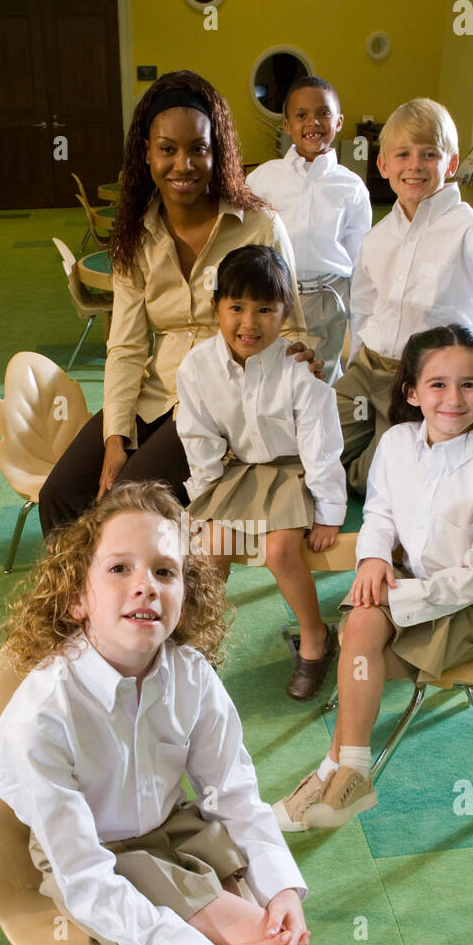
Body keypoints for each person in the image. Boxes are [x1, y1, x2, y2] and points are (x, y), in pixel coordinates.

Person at [0, 482, 411, 945]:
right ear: (77, 598)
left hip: (173, 835)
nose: (145, 586)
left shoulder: (189, 673)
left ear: (188, 593)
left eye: (165, 570)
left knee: (271, 933)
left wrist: (284, 889)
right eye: (118, 568)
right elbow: (86, 877)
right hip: (94, 859)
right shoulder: (44, 715)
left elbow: (237, 797)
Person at [37, 70, 313, 537]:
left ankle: (139, 602)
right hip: (155, 392)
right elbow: (124, 347)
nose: (182, 164)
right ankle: (78, 606)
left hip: (223, 401)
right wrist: (115, 438)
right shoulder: (133, 236)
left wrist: (298, 363)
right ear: (146, 153)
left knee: (127, 502)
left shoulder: (259, 226)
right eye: (167, 149)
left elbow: (291, 329)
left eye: (197, 149)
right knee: (59, 494)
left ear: (216, 151)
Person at [275, 325, 473, 832]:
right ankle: (353, 772)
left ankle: (334, 767)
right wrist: (372, 559)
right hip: (411, 580)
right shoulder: (395, 442)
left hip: (466, 609)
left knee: (355, 650)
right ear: (411, 392)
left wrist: (404, 594)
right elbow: (381, 514)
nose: (452, 398)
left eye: (469, 384)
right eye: (437, 384)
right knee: (361, 627)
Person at [336, 97, 473, 494]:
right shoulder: (378, 237)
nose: (414, 165)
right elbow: (363, 306)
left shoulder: (472, 232)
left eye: (429, 154)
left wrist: (471, 383)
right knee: (312, 448)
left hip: (422, 384)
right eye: (403, 154)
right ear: (383, 165)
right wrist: (356, 360)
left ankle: (424, 463)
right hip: (367, 370)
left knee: (377, 480)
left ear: (450, 163)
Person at [176, 245, 346, 701]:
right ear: (216, 307)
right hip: (240, 472)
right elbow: (199, 435)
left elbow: (320, 445)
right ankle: (201, 644)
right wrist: (205, 496)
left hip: (294, 471)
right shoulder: (197, 366)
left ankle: (315, 640)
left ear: (285, 312)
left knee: (280, 551)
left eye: (265, 309)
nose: (248, 324)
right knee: (211, 546)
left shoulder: (299, 370)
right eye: (236, 307)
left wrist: (329, 510)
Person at [247, 75, 372, 384]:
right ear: (287, 125)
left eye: (323, 113)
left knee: (319, 377)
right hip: (275, 295)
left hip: (328, 297)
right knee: (272, 376)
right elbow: (247, 243)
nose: (312, 122)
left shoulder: (351, 187)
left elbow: (358, 260)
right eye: (301, 115)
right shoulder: (263, 179)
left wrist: (360, 332)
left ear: (339, 121)